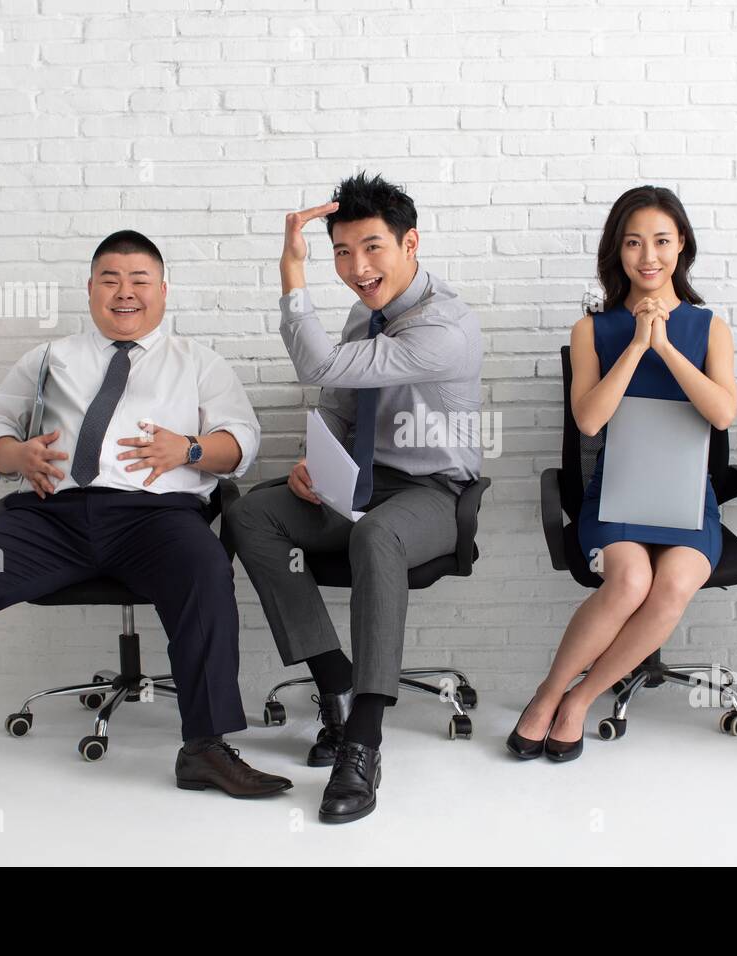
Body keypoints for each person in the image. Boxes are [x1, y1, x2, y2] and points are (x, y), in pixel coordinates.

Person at [0, 231, 292, 799]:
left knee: (204, 570)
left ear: (163, 290)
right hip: (52, 518)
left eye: (139, 280)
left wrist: (192, 450)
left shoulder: (198, 363)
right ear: (91, 289)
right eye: (111, 279)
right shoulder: (50, 358)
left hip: (156, 519)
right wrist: (17, 454)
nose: (124, 293)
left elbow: (243, 441)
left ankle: (205, 748)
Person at [228, 172, 484, 823]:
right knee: (251, 513)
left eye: (371, 248)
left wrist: (292, 274)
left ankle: (362, 742)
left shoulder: (443, 327)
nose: (357, 267)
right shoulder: (359, 316)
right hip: (358, 482)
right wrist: (315, 465)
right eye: (341, 252)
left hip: (432, 494)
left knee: (378, 535)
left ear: (411, 242)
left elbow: (317, 367)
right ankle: (332, 681)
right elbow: (338, 404)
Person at [508, 185, 737, 762]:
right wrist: (637, 345)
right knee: (631, 581)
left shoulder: (710, 329)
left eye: (662, 241)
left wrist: (667, 347)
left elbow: (722, 413)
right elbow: (588, 421)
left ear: (681, 245)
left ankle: (580, 699)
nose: (649, 256)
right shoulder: (592, 330)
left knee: (675, 583)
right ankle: (546, 694)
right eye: (634, 243)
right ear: (618, 251)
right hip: (617, 497)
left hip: (688, 499)